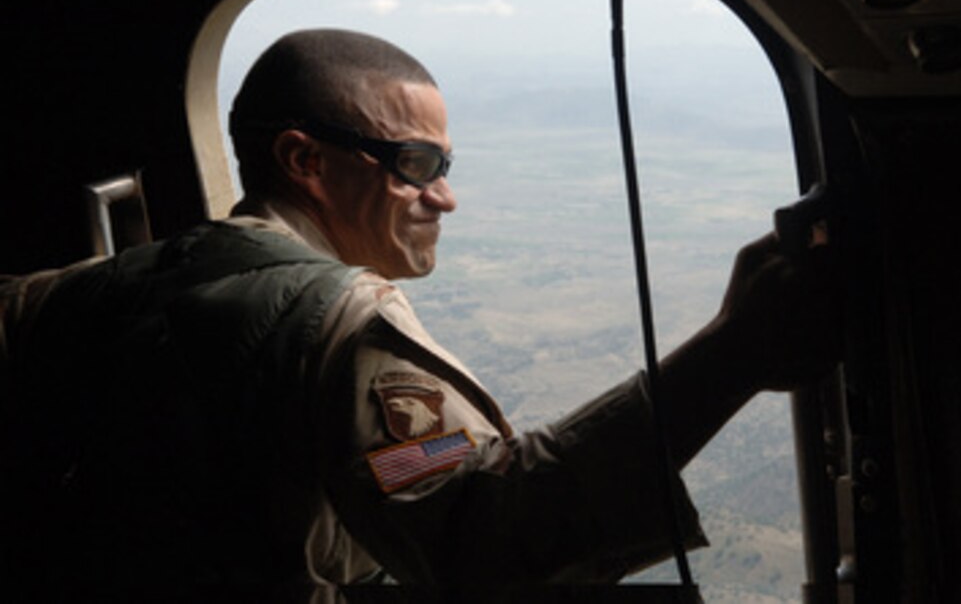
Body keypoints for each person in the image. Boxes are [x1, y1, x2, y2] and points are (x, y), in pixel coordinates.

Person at [0, 29, 838, 593]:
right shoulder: (339, 324)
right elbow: (492, 531)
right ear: (306, 161)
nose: (446, 196)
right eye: (416, 162)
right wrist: (730, 355)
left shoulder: (52, 296)